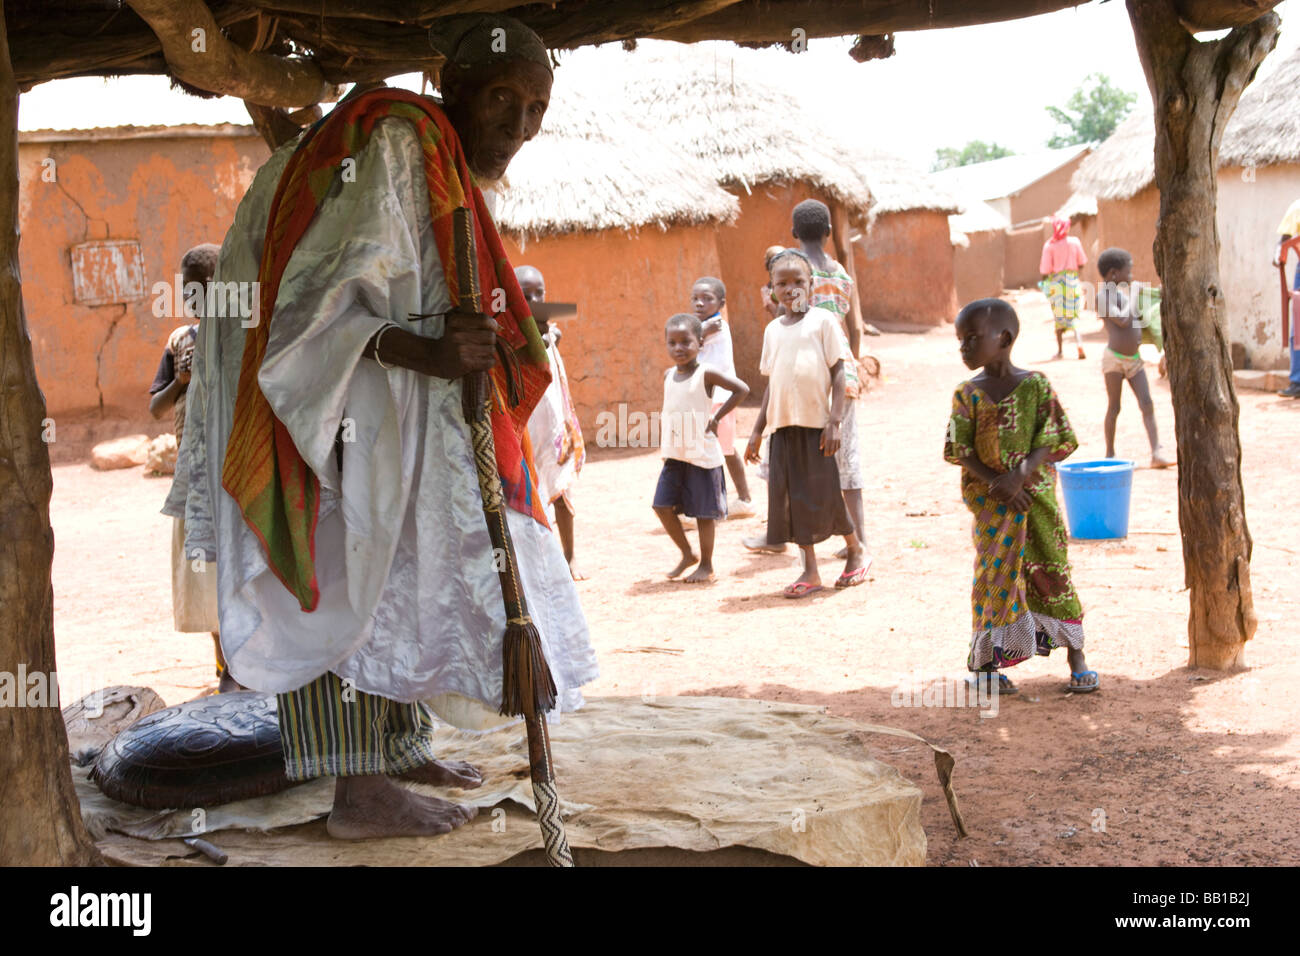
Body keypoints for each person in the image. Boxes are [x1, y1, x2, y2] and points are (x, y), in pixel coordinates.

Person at [181, 15, 598, 840]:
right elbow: (312, 307)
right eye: (503, 100)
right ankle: (358, 794)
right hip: (321, 397)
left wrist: (434, 349)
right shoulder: (399, 144)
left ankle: (396, 747)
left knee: (394, 556)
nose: (520, 125)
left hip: (376, 392)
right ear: (454, 91)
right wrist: (426, 347)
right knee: (343, 557)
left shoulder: (424, 151)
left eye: (537, 107)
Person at [944, 298, 1097, 694]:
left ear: (1005, 338)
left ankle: (1076, 656)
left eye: (972, 338)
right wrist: (999, 483)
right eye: (961, 340)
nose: (964, 348)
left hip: (1036, 500)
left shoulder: (1036, 386)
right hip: (993, 505)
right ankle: (987, 665)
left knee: (1052, 569)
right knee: (994, 576)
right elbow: (959, 449)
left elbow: (1054, 436)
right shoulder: (967, 395)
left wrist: (1020, 476)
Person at [743, 249, 867, 596]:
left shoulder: (823, 322)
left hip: (817, 426)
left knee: (825, 493)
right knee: (792, 500)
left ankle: (855, 548)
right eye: (783, 283)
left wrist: (835, 420)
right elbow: (771, 384)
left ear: (811, 286)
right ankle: (810, 571)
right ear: (772, 290)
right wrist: (756, 430)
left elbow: (839, 372)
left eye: (799, 281)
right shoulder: (772, 331)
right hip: (783, 428)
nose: (791, 288)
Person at [149, 243, 237, 693]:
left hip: (235, 478)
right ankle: (225, 669)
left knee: (240, 573)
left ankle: (250, 667)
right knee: (205, 581)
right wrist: (181, 381)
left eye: (202, 289)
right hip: (195, 482)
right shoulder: (180, 341)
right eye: (189, 291)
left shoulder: (243, 337)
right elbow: (155, 409)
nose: (193, 300)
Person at [786, 199, 871, 567]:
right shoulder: (842, 275)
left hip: (808, 375)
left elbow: (790, 318)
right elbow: (851, 329)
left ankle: (807, 543)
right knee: (847, 460)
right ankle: (859, 538)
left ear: (793, 233)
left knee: (803, 461)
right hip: (844, 375)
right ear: (829, 233)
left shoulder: (794, 273)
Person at [654, 313, 749, 584]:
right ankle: (687, 554)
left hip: (703, 455)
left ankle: (706, 564)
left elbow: (741, 389)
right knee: (661, 506)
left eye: (686, 342)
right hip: (675, 455)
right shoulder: (668, 375)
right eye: (672, 343)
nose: (679, 348)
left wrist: (717, 418)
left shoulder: (705, 373)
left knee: (704, 514)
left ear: (700, 343)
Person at [518, 265, 586, 579]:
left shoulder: (551, 331)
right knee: (533, 496)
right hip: (528, 430)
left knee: (562, 494)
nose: (534, 300)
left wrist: (550, 331)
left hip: (555, 429)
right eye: (525, 295)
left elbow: (554, 333)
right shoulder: (515, 336)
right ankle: (543, 562)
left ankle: (570, 557)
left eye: (539, 293)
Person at [1096, 248, 1173, 468]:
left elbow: (1136, 318)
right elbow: (1121, 320)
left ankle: (1157, 452)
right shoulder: (1103, 297)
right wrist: (1135, 295)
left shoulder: (1123, 295)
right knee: (1114, 407)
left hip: (1134, 359)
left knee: (1147, 403)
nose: (1131, 276)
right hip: (1114, 359)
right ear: (1113, 274)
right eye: (1127, 272)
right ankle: (1109, 454)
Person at [691, 275, 754, 518]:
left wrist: (697, 331)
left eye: (707, 299)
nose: (699, 303)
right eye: (695, 299)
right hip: (708, 398)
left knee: (724, 450)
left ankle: (741, 500)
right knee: (714, 450)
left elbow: (693, 341)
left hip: (721, 399)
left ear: (721, 303)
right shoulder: (702, 326)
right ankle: (719, 500)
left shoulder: (716, 326)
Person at [1040, 216, 1088, 360]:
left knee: (1059, 317)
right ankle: (1079, 345)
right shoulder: (1074, 242)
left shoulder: (1050, 245)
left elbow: (1045, 269)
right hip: (1072, 282)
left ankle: (1060, 351)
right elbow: (1082, 262)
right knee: (1073, 315)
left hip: (1057, 284)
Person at [1272, 197, 1300, 397]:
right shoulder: (1297, 207)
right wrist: (1278, 255)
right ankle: (1297, 381)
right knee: (1298, 327)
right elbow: (1283, 241)